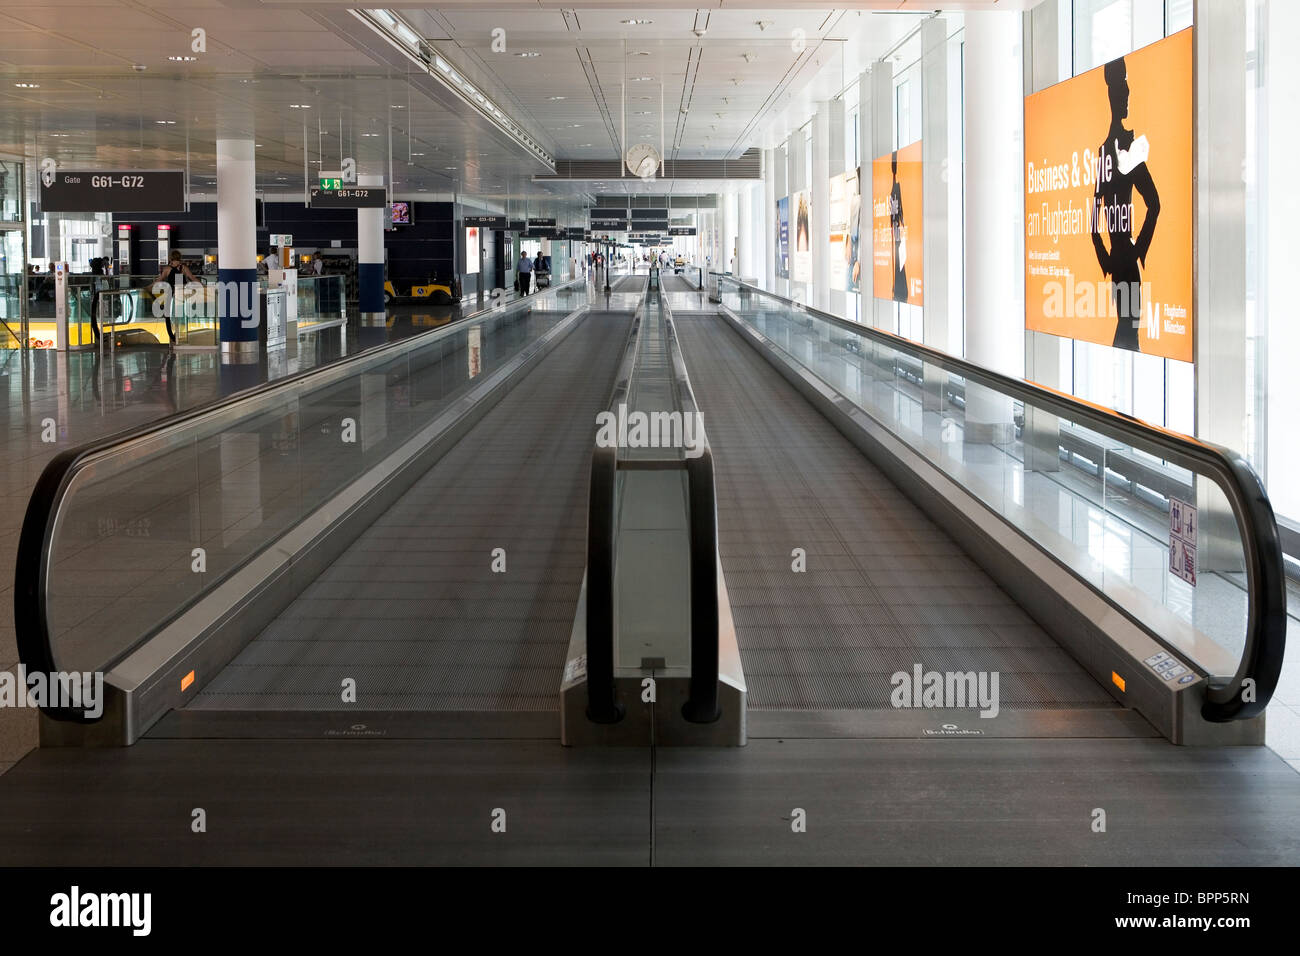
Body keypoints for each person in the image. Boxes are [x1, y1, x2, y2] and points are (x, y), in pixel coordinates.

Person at [1091, 55, 1159, 352]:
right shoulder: (1123, 149)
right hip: (1126, 263)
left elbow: (1094, 212)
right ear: (1114, 96)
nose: (1128, 95)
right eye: (1123, 90)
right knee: (1130, 331)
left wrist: (1107, 256)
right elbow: (1154, 204)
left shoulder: (1107, 150)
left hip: (1120, 260)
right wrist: (1138, 251)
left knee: (1128, 329)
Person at [154, 249, 198, 347]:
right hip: (181, 295)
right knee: (180, 315)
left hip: (170, 294)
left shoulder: (167, 269)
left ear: (171, 258)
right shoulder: (183, 268)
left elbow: (159, 280)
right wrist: (202, 285)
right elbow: (192, 278)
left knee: (168, 316)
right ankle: (179, 336)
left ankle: (173, 338)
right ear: (180, 257)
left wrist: (149, 286)